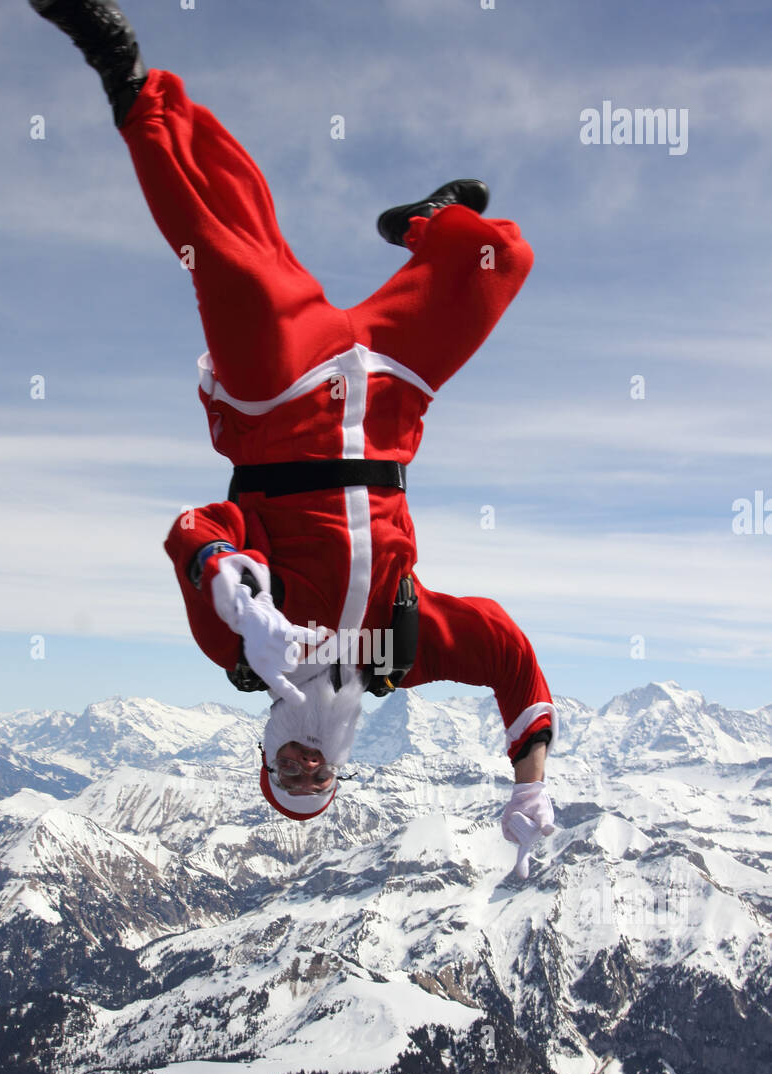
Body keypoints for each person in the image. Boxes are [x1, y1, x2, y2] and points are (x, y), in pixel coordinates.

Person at [29, 0, 558, 877]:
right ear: (340, 771)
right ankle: (429, 224)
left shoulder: (238, 655)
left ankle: (127, 81)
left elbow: (194, 533)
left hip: (277, 410)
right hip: (385, 409)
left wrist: (246, 607)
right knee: (499, 261)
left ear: (267, 753)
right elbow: (505, 649)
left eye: (288, 771)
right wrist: (530, 781)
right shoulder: (395, 654)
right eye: (318, 778)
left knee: (226, 249)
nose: (306, 764)